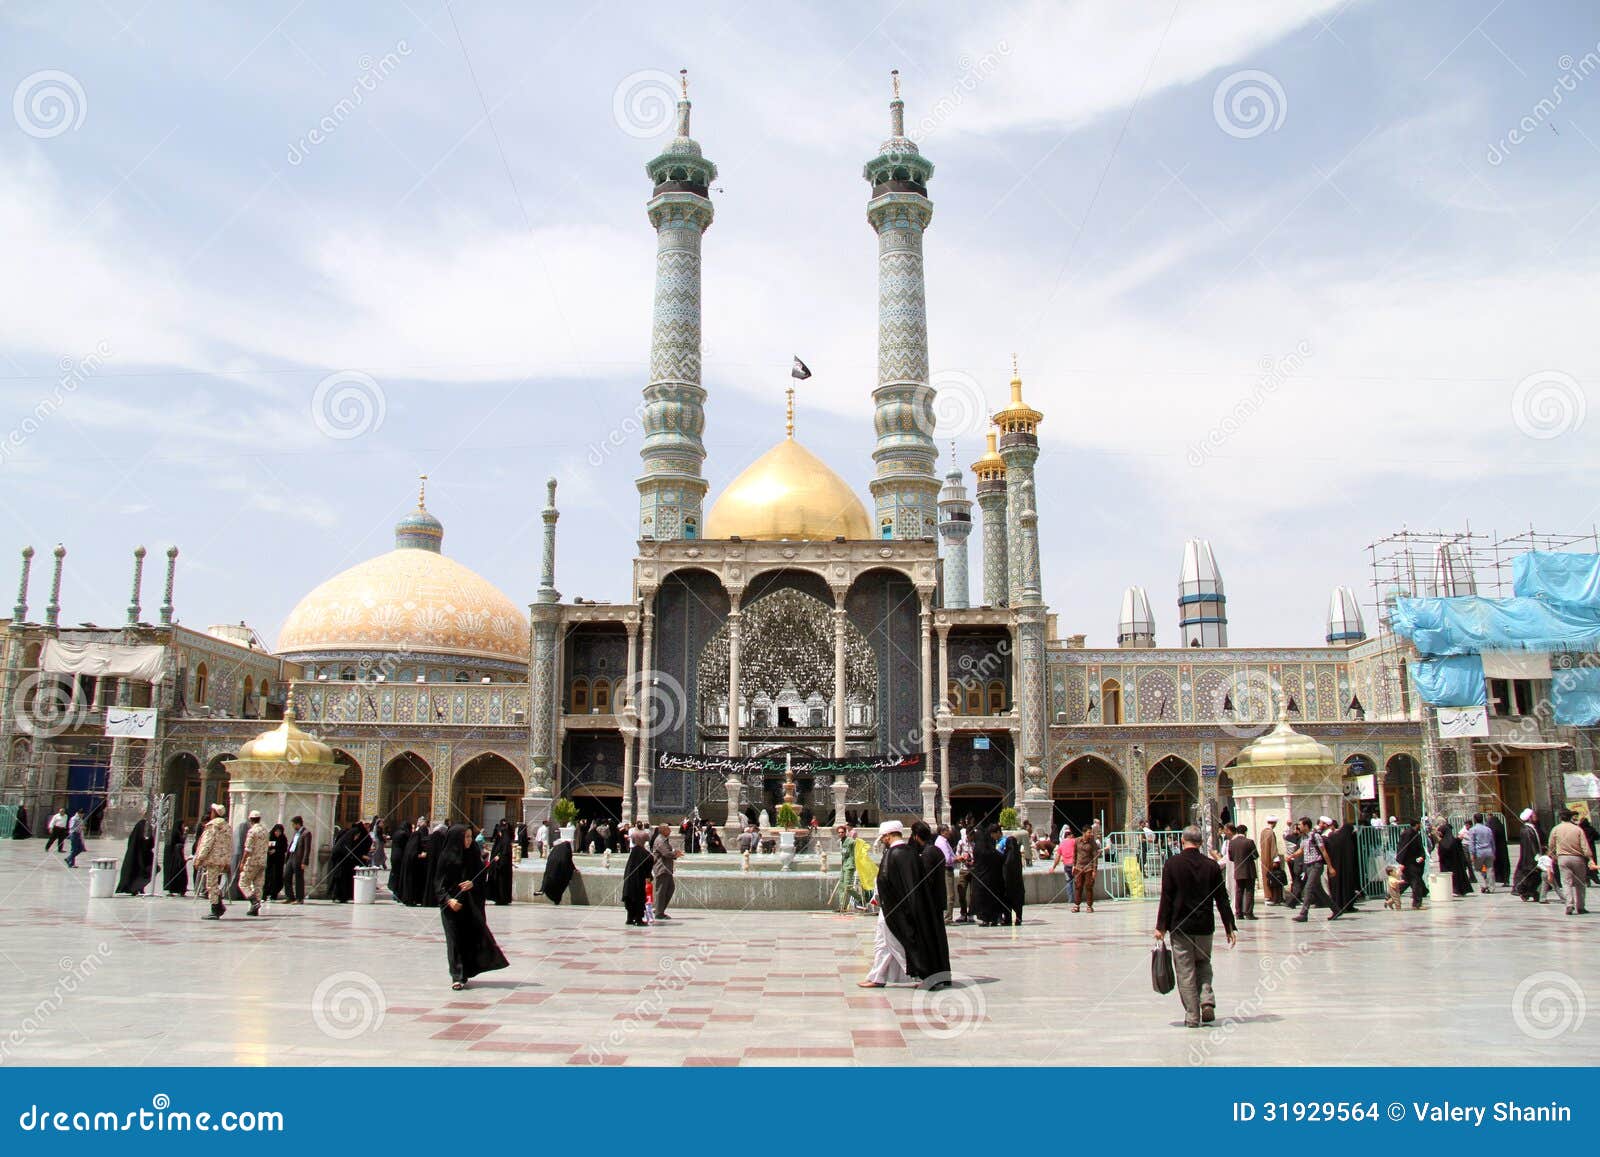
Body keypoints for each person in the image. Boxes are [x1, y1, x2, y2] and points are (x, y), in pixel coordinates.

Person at [1155, 826, 1238, 1029]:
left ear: (1183, 841)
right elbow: (1222, 898)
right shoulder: (1211, 866)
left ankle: (1193, 1015)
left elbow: (1167, 897)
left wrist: (1161, 927)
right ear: (1201, 843)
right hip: (1204, 926)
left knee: (1185, 971)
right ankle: (1206, 999)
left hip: (1180, 926)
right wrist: (1229, 926)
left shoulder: (1173, 864)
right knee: (1203, 964)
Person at [434, 823, 509, 991]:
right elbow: (438, 883)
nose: (469, 840)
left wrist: (472, 883)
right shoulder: (446, 857)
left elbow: (481, 876)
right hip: (451, 906)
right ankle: (456, 976)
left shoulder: (473, 854)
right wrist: (448, 900)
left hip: (468, 904)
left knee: (467, 937)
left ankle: (466, 970)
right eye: (466, 837)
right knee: (453, 939)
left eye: (470, 837)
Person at [859, 823, 913, 988]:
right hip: (890, 906)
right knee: (883, 942)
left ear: (889, 835)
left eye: (883, 837)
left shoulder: (896, 853)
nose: (882, 840)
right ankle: (878, 976)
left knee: (893, 942)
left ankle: (918, 974)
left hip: (893, 907)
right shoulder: (904, 853)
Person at [908, 822, 953, 986]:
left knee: (929, 941)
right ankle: (943, 975)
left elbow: (926, 882)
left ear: (916, 836)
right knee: (939, 940)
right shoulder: (937, 851)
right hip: (937, 903)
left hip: (929, 905)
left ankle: (932, 978)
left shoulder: (927, 854)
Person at [1548, 809, 1597, 916]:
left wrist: (1553, 857)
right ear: (1570, 817)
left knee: (1566, 883)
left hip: (1563, 858)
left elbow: (1551, 846)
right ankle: (1581, 907)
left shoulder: (1555, 829)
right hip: (1578, 858)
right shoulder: (1577, 829)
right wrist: (1590, 858)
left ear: (1560, 818)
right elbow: (1585, 846)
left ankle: (1569, 904)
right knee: (1580, 883)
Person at [193, 803, 234, 919]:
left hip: (212, 859)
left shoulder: (212, 826)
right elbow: (230, 844)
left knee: (211, 884)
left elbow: (207, 844)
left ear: (214, 813)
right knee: (214, 883)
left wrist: (199, 859)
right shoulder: (227, 826)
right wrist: (227, 860)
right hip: (222, 859)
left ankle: (215, 909)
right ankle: (219, 906)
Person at [1291, 817, 1333, 922]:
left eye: (1300, 824)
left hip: (1316, 865)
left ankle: (1303, 914)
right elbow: (1301, 850)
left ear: (1306, 826)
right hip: (1308, 867)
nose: (1298, 826)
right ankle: (1336, 909)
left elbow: (1323, 851)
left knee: (1308, 888)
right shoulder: (1303, 838)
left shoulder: (1315, 836)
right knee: (1319, 891)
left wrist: (1330, 867)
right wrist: (1291, 856)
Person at [969, 824, 1006, 926]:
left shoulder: (980, 846)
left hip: (982, 877)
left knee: (984, 899)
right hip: (989, 878)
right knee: (990, 898)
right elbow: (994, 857)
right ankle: (992, 918)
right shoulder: (987, 847)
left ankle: (986, 919)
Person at [236, 811, 269, 917]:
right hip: (262, 861)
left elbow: (248, 849)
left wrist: (242, 862)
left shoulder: (252, 831)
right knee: (258, 885)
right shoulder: (265, 831)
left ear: (250, 820)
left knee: (243, 883)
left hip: (252, 862)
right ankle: (255, 908)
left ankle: (254, 902)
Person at [115, 816, 155, 896]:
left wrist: (151, 835)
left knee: (152, 870)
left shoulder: (142, 837)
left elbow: (150, 846)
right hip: (136, 861)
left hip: (144, 860)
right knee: (140, 872)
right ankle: (135, 888)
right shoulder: (137, 838)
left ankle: (139, 887)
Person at [1395, 819, 1429, 909]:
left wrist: (1422, 856)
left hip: (1414, 862)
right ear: (1417, 824)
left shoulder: (1414, 833)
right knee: (1416, 883)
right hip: (1410, 863)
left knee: (1406, 882)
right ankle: (1417, 904)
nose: (1421, 826)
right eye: (1420, 824)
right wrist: (1401, 862)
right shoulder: (1408, 833)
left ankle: (1390, 896)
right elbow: (1403, 848)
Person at [622, 829, 652, 927]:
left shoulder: (633, 852)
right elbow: (648, 867)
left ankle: (630, 918)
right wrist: (649, 877)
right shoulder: (645, 854)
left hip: (629, 879)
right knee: (638, 899)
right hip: (638, 882)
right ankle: (639, 919)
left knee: (630, 898)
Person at [651, 824, 682, 921]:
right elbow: (666, 853)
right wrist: (675, 854)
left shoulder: (664, 840)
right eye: (668, 829)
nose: (670, 830)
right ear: (663, 830)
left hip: (666, 869)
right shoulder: (660, 840)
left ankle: (659, 910)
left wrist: (674, 853)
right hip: (662, 869)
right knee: (661, 891)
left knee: (670, 888)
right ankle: (659, 913)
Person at [1435, 820, 1473, 897]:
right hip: (1456, 864)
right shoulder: (1453, 841)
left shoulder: (1443, 842)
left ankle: (1453, 890)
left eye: (1440, 832)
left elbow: (1441, 853)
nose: (1440, 834)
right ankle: (1458, 890)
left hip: (1446, 865)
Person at [1228, 824, 1258, 919]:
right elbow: (1256, 855)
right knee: (1249, 892)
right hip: (1249, 871)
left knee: (1239, 892)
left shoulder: (1232, 843)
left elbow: (1231, 858)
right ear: (1245, 832)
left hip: (1238, 870)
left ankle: (1238, 913)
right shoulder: (1249, 842)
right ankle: (1249, 913)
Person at [1514, 808, 1544, 902]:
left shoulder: (1532, 828)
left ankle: (1533, 892)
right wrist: (1536, 856)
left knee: (1535, 877)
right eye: (1534, 815)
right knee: (1531, 876)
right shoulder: (1527, 830)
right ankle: (1524, 891)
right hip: (1530, 858)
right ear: (1530, 817)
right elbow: (1530, 845)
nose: (1536, 816)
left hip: (1533, 856)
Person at [540, 831, 577, 904]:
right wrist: (573, 869)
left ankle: (545, 889)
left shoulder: (556, 849)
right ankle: (556, 897)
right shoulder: (566, 850)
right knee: (561, 881)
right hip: (560, 868)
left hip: (551, 867)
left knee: (550, 879)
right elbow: (569, 861)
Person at [1073, 822, 1102, 914]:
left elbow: (1095, 856)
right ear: (1084, 832)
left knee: (1088, 886)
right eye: (1089, 832)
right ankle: (1076, 905)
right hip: (1078, 867)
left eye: (1091, 832)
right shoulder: (1077, 841)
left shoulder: (1092, 842)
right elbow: (1074, 854)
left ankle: (1089, 906)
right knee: (1078, 886)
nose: (1091, 834)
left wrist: (1094, 870)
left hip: (1088, 868)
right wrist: (1073, 865)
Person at [999, 826, 1026, 926]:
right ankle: (1019, 918)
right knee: (1018, 903)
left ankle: (1008, 919)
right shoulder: (1017, 855)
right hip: (1018, 885)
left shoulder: (1006, 855)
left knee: (1007, 902)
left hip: (1008, 885)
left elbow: (1004, 869)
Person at [486, 820, 515, 906]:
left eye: (500, 832)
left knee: (502, 884)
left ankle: (502, 899)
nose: (499, 834)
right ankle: (498, 898)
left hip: (502, 869)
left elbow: (505, 855)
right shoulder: (500, 841)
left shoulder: (505, 842)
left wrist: (499, 858)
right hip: (498, 869)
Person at [1466, 814, 1497, 893]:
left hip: (1479, 852)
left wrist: (1472, 853)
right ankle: (1491, 887)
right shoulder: (1488, 829)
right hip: (1489, 851)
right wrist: (1493, 852)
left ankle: (1483, 884)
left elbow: (1472, 842)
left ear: (1475, 820)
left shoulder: (1473, 830)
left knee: (1477, 869)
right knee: (1490, 869)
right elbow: (1492, 842)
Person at [284, 816, 311, 905]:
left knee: (299, 878)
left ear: (298, 824)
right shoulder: (296, 833)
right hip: (291, 855)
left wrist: (304, 861)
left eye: (293, 824)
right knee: (286, 875)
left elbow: (307, 848)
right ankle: (290, 897)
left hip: (298, 858)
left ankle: (300, 898)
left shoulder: (306, 833)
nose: (292, 826)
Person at [934, 825, 957, 924]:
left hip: (947, 869)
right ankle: (948, 917)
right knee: (950, 894)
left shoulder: (943, 841)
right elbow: (947, 859)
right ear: (943, 832)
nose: (950, 832)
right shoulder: (942, 842)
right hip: (947, 870)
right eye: (948, 830)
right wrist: (957, 859)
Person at [1259, 817, 1284, 906]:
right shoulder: (1271, 832)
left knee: (1266, 877)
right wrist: (1276, 859)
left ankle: (1267, 896)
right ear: (1274, 823)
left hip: (1264, 858)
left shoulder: (1263, 832)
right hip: (1270, 859)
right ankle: (1273, 897)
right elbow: (1273, 847)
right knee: (1273, 878)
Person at [386, 821, 413, 902]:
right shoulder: (404, 834)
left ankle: (395, 893)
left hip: (394, 855)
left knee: (395, 874)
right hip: (401, 856)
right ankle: (398, 894)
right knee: (400, 875)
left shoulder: (396, 833)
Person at [163, 821, 189, 896]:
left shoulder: (177, 832)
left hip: (177, 855)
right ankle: (177, 888)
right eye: (183, 825)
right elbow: (181, 841)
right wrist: (185, 833)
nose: (184, 827)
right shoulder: (176, 833)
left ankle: (179, 888)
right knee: (178, 873)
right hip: (176, 857)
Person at [264, 823, 288, 902]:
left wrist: (276, 850)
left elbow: (284, 848)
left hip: (279, 862)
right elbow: (265, 846)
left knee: (277, 878)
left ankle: (273, 895)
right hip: (270, 862)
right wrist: (269, 851)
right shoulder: (270, 837)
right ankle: (265, 895)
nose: (277, 833)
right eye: (276, 831)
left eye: (279, 831)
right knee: (268, 878)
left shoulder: (283, 839)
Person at [1488, 812, 1511, 888]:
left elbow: (1492, 839)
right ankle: (1506, 880)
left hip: (1495, 850)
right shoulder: (1500, 826)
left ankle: (1493, 881)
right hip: (1503, 850)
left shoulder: (1493, 828)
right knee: (1504, 865)